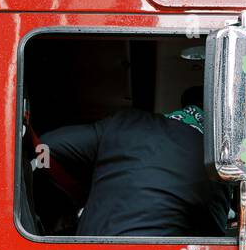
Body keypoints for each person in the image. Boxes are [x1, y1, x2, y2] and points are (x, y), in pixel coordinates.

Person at [33, 88, 232, 238]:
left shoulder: (127, 122)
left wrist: (94, 190)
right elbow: (214, 244)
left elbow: (48, 146)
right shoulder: (216, 165)